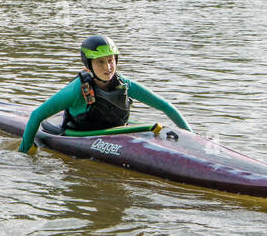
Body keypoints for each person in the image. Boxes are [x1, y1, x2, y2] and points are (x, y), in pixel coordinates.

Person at [18, 35, 191, 152]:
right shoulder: (77, 89)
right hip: (78, 135)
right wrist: (24, 152)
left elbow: (165, 107)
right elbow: (36, 115)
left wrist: (192, 139)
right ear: (89, 65)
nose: (108, 68)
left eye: (110, 61)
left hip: (116, 134)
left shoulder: (126, 84)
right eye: (100, 62)